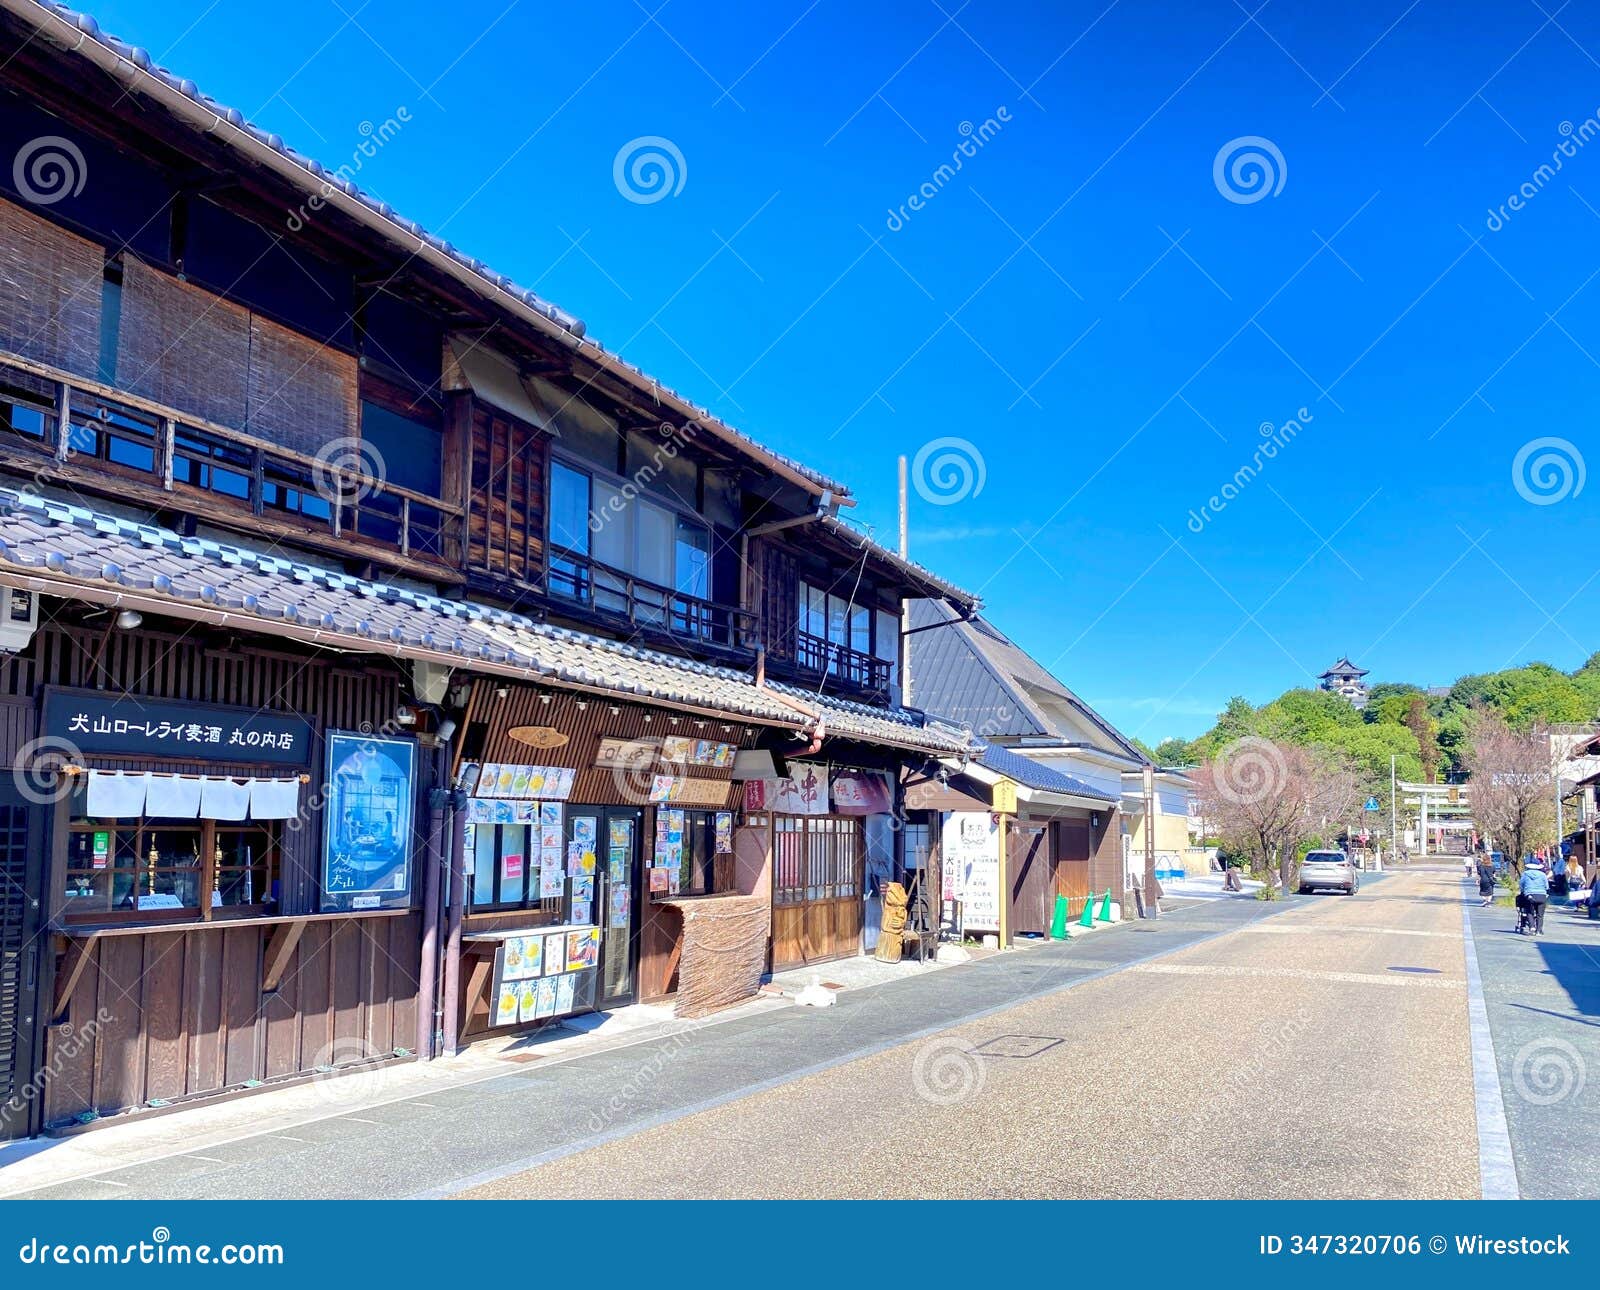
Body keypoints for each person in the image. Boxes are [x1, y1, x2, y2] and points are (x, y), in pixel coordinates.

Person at [1518, 860, 1550, 935]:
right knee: (1540, 914)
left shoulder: (1525, 874)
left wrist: (1524, 891)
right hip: (1542, 895)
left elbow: (1521, 884)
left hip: (1529, 894)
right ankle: (1538, 930)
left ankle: (1532, 926)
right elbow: (1547, 886)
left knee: (1529, 911)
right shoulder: (1543, 875)